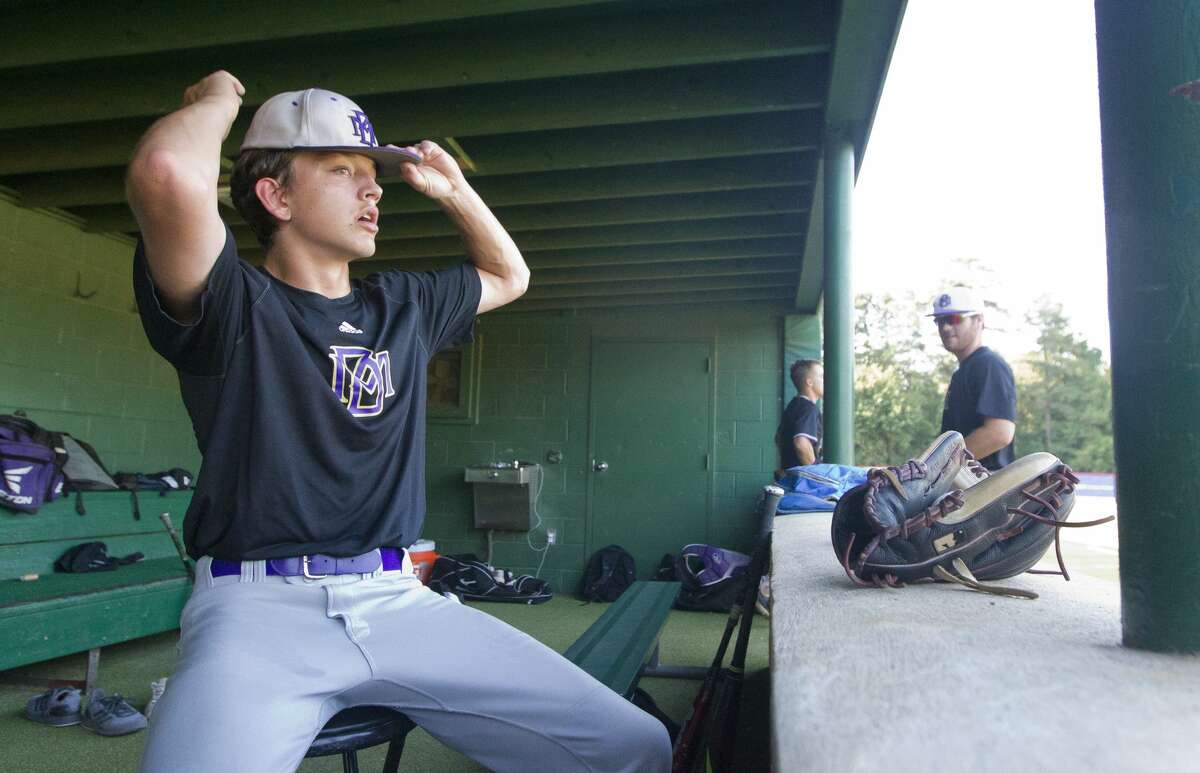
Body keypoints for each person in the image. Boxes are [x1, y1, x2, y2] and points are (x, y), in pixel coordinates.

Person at [126, 71, 669, 773]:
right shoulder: (233, 301)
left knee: (635, 746)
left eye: (373, 173)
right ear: (276, 194)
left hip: (396, 597)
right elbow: (166, 172)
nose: (373, 188)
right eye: (344, 170)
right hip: (255, 609)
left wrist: (455, 193)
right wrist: (219, 98)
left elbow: (511, 277)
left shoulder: (402, 305)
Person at [930, 288, 1017, 470]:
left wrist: (938, 467)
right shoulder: (962, 372)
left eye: (954, 319)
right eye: (940, 321)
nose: (945, 327)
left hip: (984, 489)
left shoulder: (989, 364)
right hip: (964, 486)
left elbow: (999, 433)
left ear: (979, 320)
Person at [775, 359, 824, 474]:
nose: (826, 380)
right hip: (803, 483)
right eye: (822, 376)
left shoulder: (793, 406)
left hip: (790, 478)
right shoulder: (808, 408)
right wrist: (817, 475)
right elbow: (801, 443)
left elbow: (778, 439)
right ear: (809, 382)